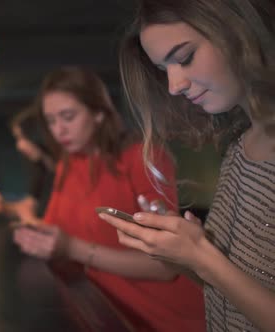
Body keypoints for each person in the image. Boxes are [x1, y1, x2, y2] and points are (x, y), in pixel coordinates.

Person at [99, 1, 275, 331]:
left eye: (184, 58)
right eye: (165, 70)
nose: (174, 85)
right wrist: (179, 253)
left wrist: (200, 256)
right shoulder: (239, 150)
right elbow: (229, 291)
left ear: (240, 32)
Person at [12, 66, 205, 332]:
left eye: (68, 117)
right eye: (51, 121)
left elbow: (166, 266)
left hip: (163, 317)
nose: (59, 130)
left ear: (99, 113)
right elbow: (55, 230)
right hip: (104, 310)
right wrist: (24, 222)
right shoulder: (68, 163)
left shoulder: (142, 158)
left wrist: (72, 248)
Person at [0, 108, 57, 222]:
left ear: (38, 135)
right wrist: (2, 206)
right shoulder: (43, 173)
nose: (19, 146)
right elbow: (28, 206)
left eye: (22, 137)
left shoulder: (65, 174)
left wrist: (29, 218)